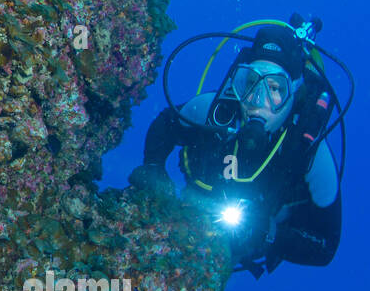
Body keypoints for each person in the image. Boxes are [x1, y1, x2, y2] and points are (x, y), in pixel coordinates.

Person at [129, 17, 349, 277]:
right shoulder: (214, 111)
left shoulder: (311, 153)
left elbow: (326, 247)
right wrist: (153, 167)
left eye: (275, 88)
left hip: (245, 246)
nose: (257, 100)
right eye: (250, 82)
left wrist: (269, 234)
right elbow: (166, 124)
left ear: (294, 93)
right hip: (188, 214)